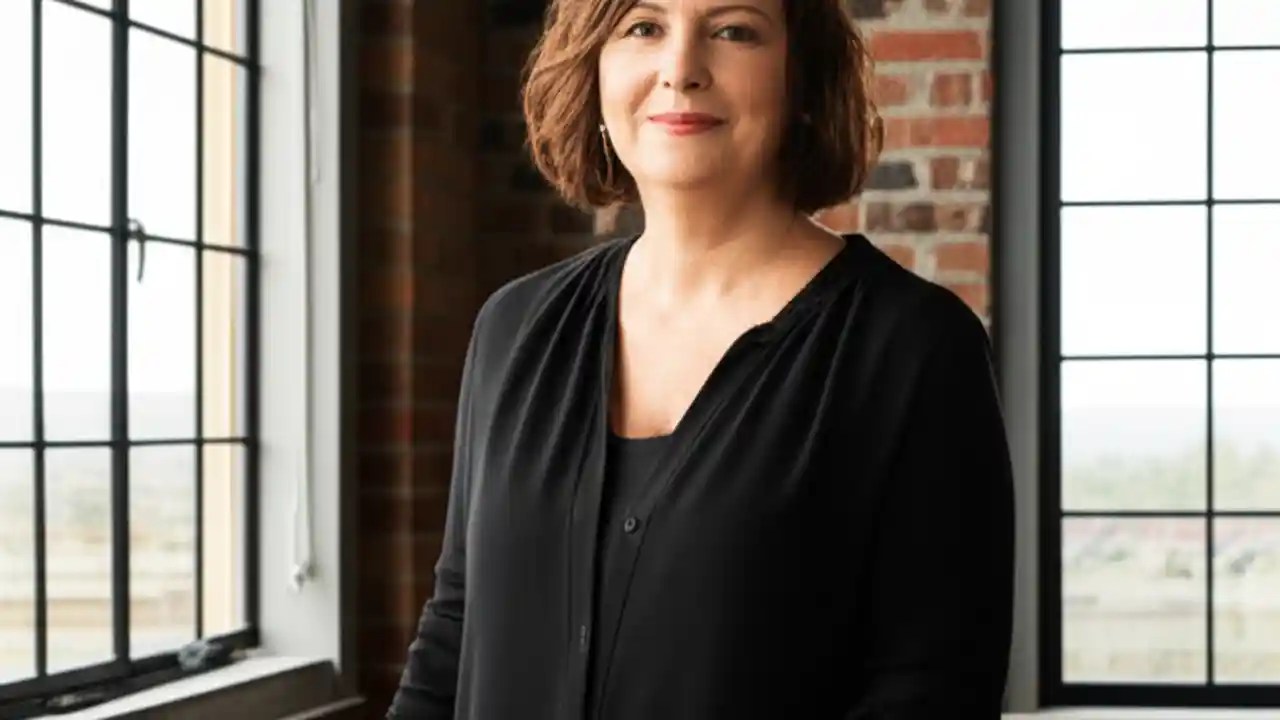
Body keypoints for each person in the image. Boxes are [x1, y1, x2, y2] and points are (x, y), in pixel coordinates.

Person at [386, 0, 1014, 717]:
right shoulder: (513, 328)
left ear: (801, 82)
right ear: (592, 70)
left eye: (733, 31)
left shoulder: (915, 349)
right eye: (642, 28)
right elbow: (455, 628)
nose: (680, 69)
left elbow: (935, 690)